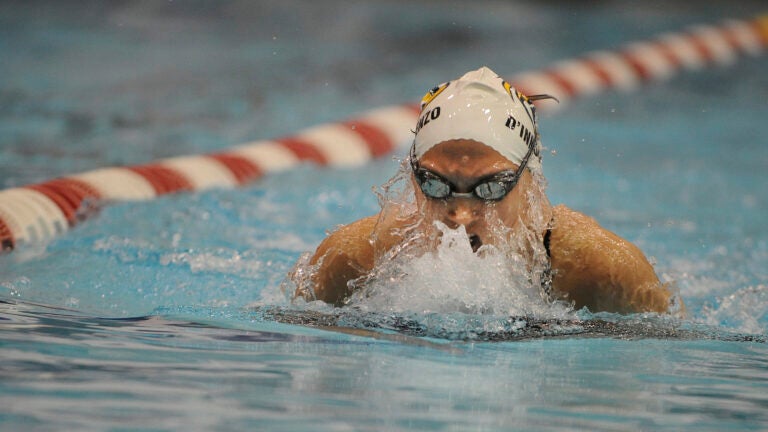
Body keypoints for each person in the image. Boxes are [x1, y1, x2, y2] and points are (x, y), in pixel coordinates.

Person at [294, 66, 679, 314]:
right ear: (412, 178)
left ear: (531, 183)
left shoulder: (602, 271)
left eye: (491, 188)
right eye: (435, 183)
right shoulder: (354, 260)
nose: (460, 215)